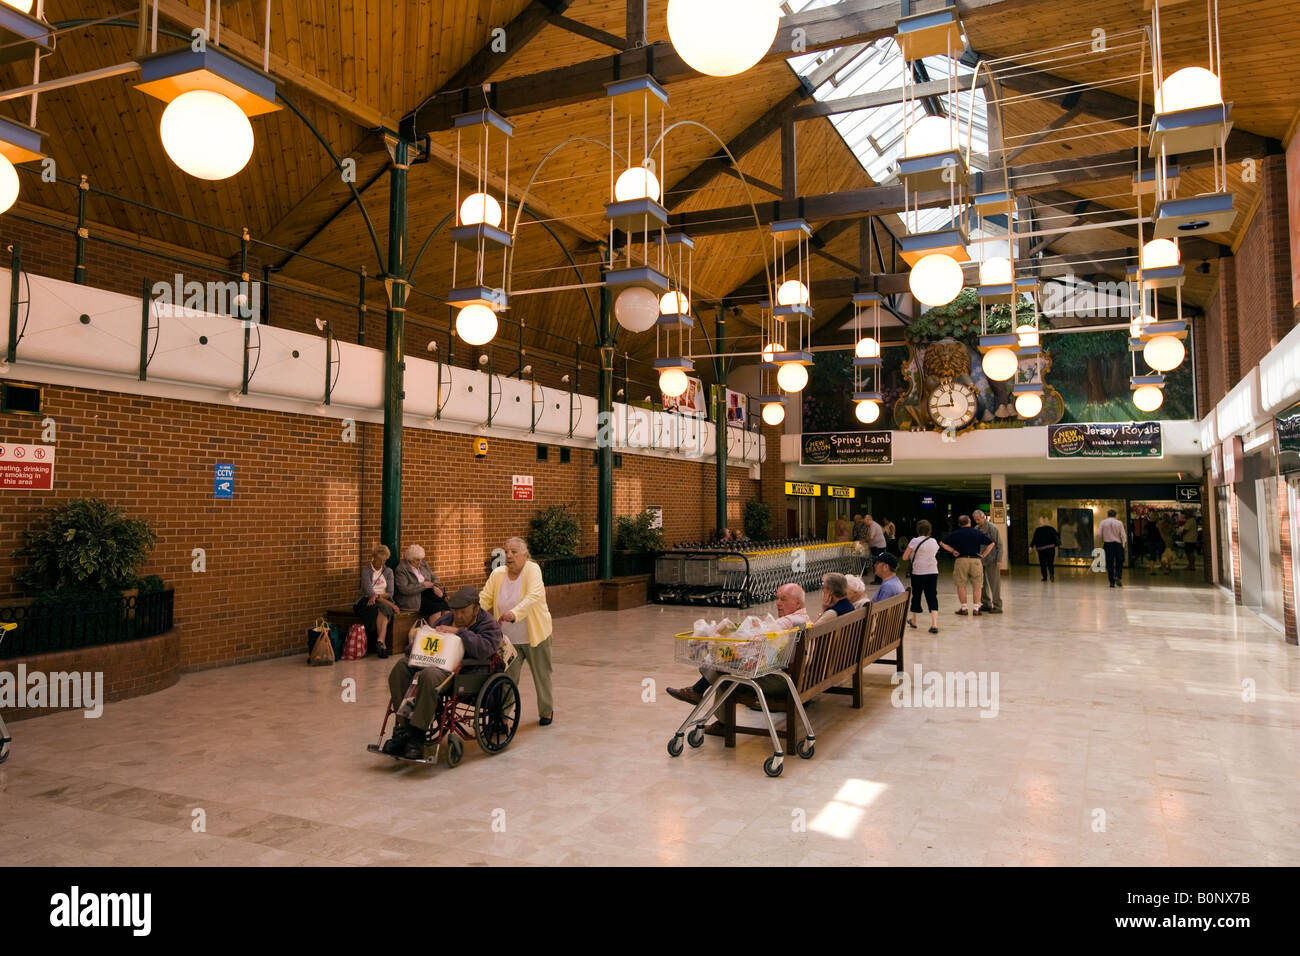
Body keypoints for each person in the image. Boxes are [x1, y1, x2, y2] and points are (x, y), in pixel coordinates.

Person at [383, 586, 502, 759]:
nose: (458, 616)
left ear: (476, 609)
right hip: (433, 662)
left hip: (464, 672)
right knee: (400, 667)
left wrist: (460, 632)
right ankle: (403, 730)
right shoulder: (446, 618)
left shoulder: (488, 624)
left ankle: (417, 736)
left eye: (463, 612)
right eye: (455, 611)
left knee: (429, 675)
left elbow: (485, 649)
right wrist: (417, 642)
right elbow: (424, 643)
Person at [667, 583, 809, 706]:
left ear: (797, 603)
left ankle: (708, 706)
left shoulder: (787, 622)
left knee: (723, 669)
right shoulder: (805, 620)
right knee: (725, 665)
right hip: (798, 678)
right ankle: (697, 692)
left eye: (783, 599)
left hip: (780, 681)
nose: (778, 603)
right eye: (777, 598)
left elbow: (757, 642)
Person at [480, 537, 555, 726]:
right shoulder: (497, 574)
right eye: (506, 551)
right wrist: (471, 613)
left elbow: (533, 597)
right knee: (506, 679)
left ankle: (546, 711)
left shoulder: (532, 569)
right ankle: (501, 717)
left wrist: (514, 613)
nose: (509, 555)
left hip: (535, 635)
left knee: (542, 675)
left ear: (524, 555)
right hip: (508, 639)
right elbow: (485, 597)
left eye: (514, 552)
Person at [940, 515, 993, 615]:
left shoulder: (956, 533)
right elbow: (991, 543)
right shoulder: (977, 533)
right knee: (977, 585)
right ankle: (976, 609)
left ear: (959, 524)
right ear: (970, 522)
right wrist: (983, 555)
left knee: (961, 585)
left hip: (961, 560)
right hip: (976, 561)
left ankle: (964, 608)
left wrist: (953, 551)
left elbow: (942, 543)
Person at [355, 545, 399, 658]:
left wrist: (378, 596)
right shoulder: (366, 570)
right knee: (383, 608)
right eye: (380, 560)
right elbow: (368, 591)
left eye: (384, 560)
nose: (382, 563)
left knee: (383, 608)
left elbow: (390, 592)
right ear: (373, 558)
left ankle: (380, 641)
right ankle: (382, 643)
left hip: (383, 599)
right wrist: (376, 597)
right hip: (367, 600)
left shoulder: (388, 571)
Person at [903, 520, 941, 633]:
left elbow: (905, 557)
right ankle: (934, 624)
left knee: (917, 595)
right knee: (932, 595)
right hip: (933, 571)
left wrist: (912, 555)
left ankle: (914, 621)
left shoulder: (914, 541)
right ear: (929, 530)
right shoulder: (934, 541)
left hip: (918, 572)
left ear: (917, 530)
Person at [393, 544, 447, 619]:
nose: (420, 562)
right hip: (415, 598)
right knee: (436, 608)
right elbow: (404, 589)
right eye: (417, 560)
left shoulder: (423, 564)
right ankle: (434, 630)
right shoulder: (402, 569)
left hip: (429, 593)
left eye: (421, 559)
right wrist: (423, 585)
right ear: (410, 559)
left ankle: (444, 629)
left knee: (446, 607)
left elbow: (434, 578)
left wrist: (435, 587)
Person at [972, 510, 1004, 614]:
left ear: (983, 517)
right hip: (980, 560)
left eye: (978, 519)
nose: (977, 521)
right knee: (982, 583)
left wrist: (999, 559)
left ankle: (998, 606)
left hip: (992, 559)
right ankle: (986, 603)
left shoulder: (992, 528)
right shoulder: (976, 529)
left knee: (994, 584)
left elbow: (999, 544)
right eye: (975, 520)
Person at [1099, 509, 1127, 587]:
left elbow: (1099, 533)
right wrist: (1123, 545)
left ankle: (1111, 582)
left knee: (1109, 563)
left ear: (1107, 515)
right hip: (1117, 544)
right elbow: (1123, 535)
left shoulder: (1103, 522)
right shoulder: (1119, 522)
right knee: (1119, 561)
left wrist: (1102, 540)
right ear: (1115, 515)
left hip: (1107, 544)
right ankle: (1118, 575)